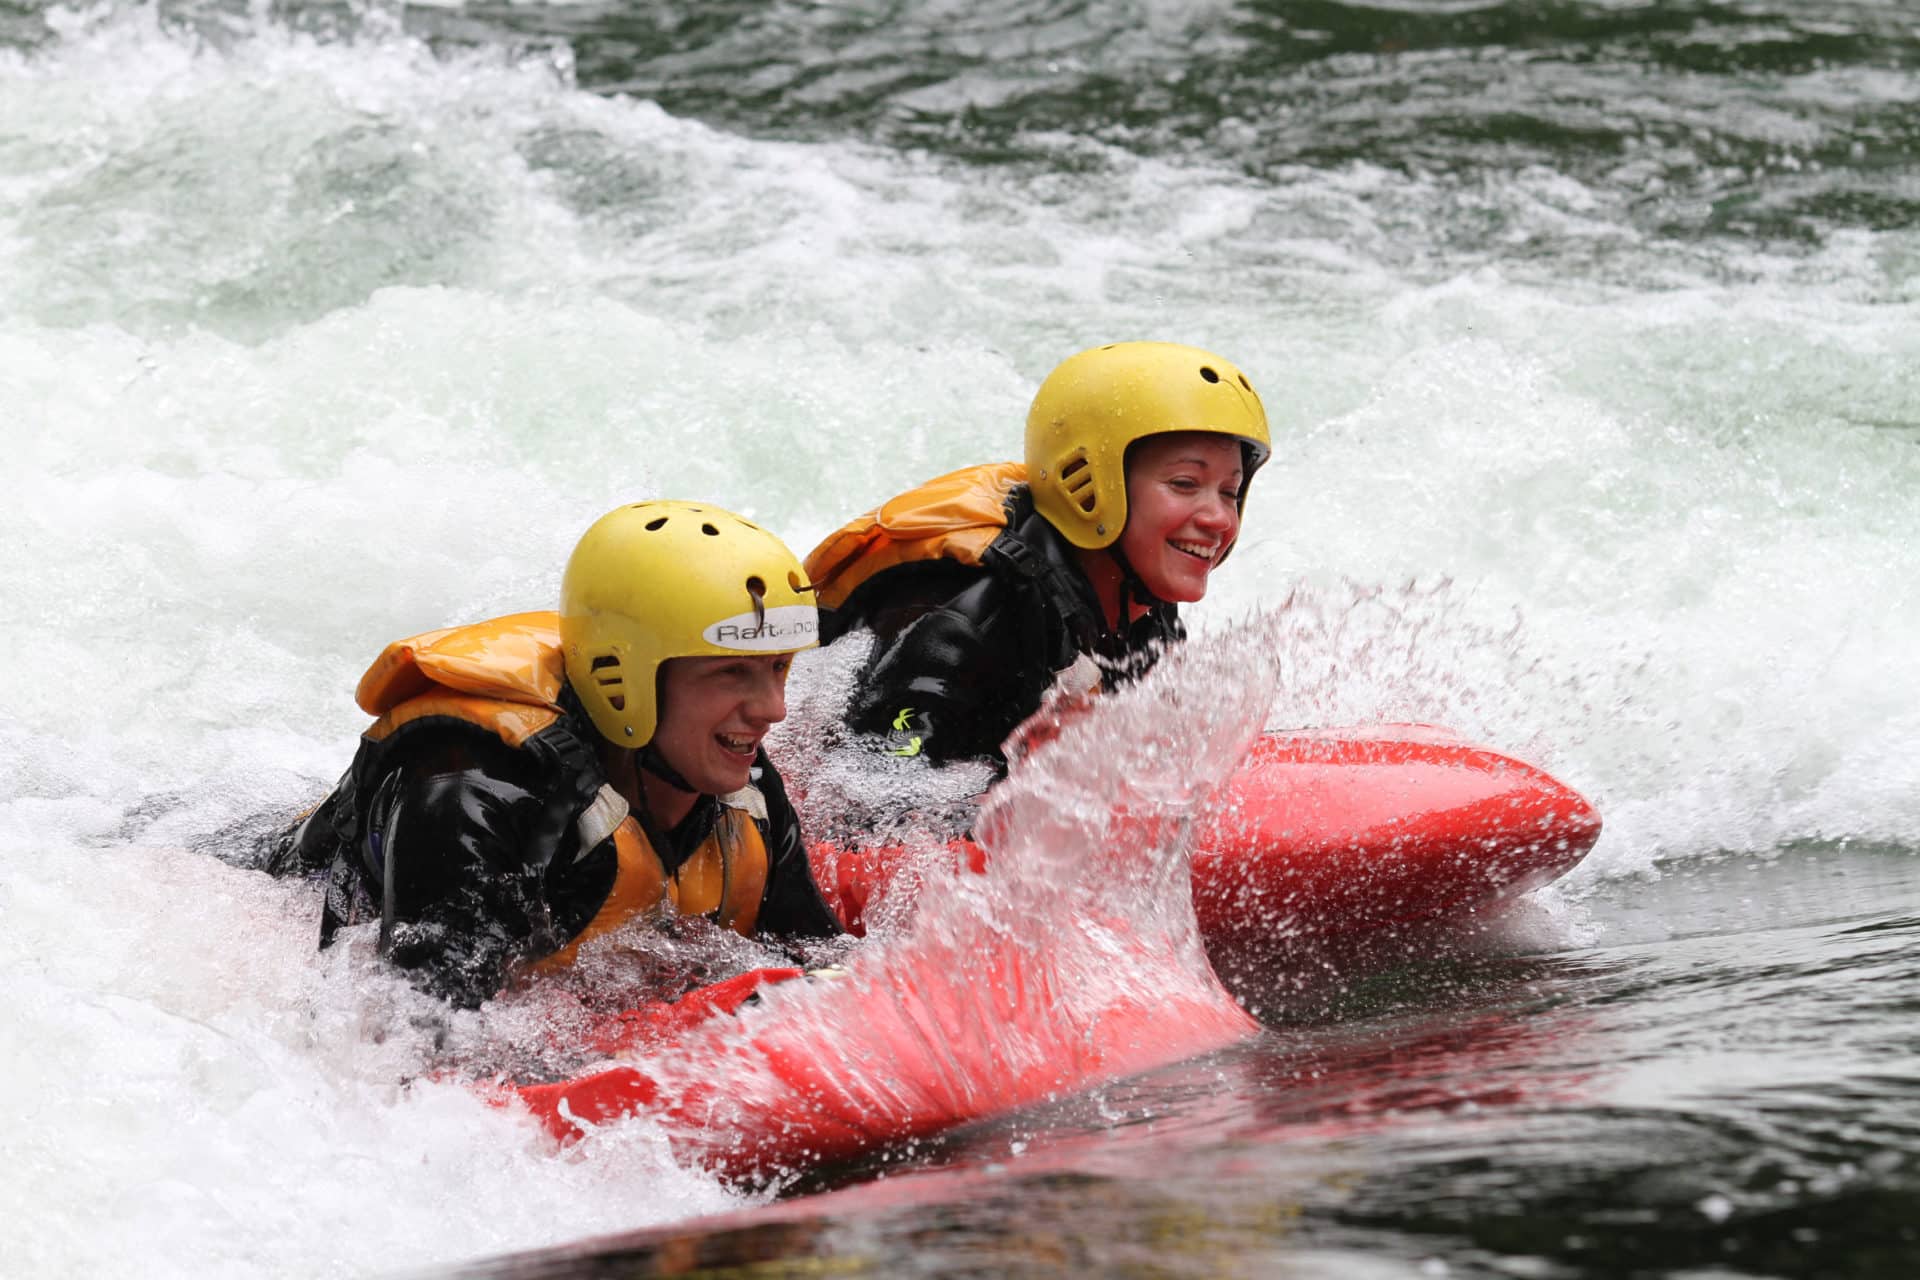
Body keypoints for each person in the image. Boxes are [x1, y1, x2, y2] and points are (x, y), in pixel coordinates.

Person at [271, 501, 844, 1008]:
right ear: (625, 678)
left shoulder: (743, 788)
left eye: (777, 667)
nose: (774, 709)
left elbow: (820, 958)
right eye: (732, 672)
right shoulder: (470, 796)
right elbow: (421, 1050)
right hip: (244, 888)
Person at [804, 340, 1270, 774]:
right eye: (1185, 484)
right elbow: (863, 803)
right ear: (1090, 482)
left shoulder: (1139, 599)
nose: (1218, 519)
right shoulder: (971, 624)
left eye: (1230, 492)